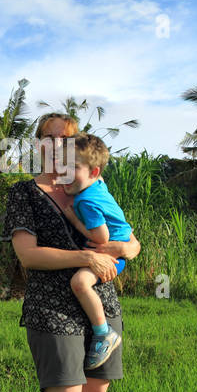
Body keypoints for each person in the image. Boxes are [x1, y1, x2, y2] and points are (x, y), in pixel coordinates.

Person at [4, 114, 139, 392]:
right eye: (51, 139)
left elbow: (127, 240)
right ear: (39, 144)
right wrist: (84, 258)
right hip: (52, 308)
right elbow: (29, 256)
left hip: (102, 302)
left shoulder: (89, 184)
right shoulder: (25, 193)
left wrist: (127, 247)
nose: (60, 147)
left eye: (68, 140)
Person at [61, 134, 132, 370]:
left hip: (111, 255)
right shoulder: (99, 185)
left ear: (93, 172)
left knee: (80, 283)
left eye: (74, 168)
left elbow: (100, 237)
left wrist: (73, 219)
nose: (66, 173)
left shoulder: (85, 202)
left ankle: (103, 333)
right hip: (120, 246)